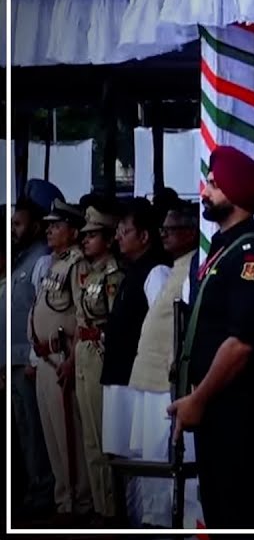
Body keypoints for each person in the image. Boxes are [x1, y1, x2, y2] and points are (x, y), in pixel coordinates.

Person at [170, 145, 254, 528]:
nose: (205, 192)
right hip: (214, 410)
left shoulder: (252, 254)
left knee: (239, 517)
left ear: (235, 193)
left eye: (215, 185)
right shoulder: (222, 251)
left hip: (237, 411)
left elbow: (240, 344)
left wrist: (198, 399)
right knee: (219, 513)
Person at [127, 202, 200, 528]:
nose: (164, 236)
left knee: (170, 457)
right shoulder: (176, 267)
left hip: (168, 381)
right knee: (152, 459)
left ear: (189, 233)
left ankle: (178, 523)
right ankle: (155, 520)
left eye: (169, 230)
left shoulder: (192, 270)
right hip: (152, 379)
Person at [101, 199, 171, 524]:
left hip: (140, 380)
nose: (118, 238)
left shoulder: (156, 271)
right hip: (119, 375)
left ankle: (151, 520)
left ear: (144, 236)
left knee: (144, 455)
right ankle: (128, 517)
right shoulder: (132, 272)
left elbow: (163, 326)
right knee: (121, 456)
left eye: (124, 232)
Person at [30, 199, 93, 519]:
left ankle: (78, 502)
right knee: (53, 438)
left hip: (62, 357)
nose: (50, 230)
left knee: (69, 437)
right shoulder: (54, 262)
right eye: (49, 225)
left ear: (73, 230)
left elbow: (84, 317)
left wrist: (71, 361)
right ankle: (63, 498)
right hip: (43, 358)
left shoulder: (77, 264)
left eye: (57, 225)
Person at [72, 206, 124, 521]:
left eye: (93, 235)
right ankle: (98, 502)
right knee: (88, 435)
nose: (86, 240)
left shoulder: (112, 274)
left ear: (107, 239)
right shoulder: (89, 272)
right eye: (86, 235)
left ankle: (110, 507)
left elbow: (113, 320)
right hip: (83, 349)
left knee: (101, 433)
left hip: (99, 350)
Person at [8, 197, 55, 517]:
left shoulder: (41, 260)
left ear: (36, 226)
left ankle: (43, 495)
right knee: (24, 432)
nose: (13, 230)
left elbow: (41, 312)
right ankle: (34, 489)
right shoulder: (22, 259)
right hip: (13, 360)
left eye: (18, 223)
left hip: (30, 361)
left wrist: (33, 360)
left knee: (36, 433)